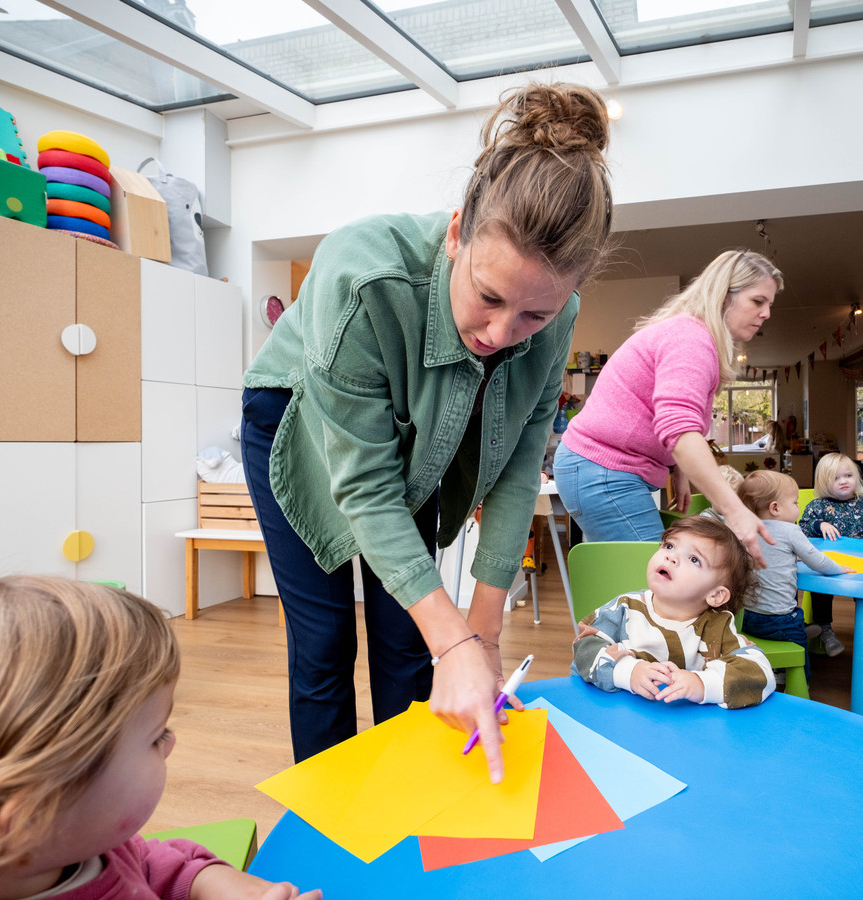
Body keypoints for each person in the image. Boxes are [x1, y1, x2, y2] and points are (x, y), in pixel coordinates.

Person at [240, 83, 613, 779]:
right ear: (454, 234)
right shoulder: (361, 274)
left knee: (411, 634)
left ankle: (415, 793)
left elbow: (517, 457)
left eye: (533, 316)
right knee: (323, 639)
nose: (501, 335)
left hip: (420, 426)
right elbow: (367, 486)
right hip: (296, 415)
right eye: (489, 296)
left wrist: (484, 631)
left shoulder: (555, 318)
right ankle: (337, 828)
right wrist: (455, 643)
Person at [0, 575, 321, 900]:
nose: (170, 745)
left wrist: (211, 884)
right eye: (155, 736)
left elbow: (147, 863)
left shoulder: (80, 844)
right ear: (31, 813)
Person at [553, 249, 783, 565]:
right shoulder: (691, 340)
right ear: (723, 297)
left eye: (769, 304)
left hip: (599, 469)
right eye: (758, 301)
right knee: (659, 582)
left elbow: (663, 413)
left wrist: (679, 471)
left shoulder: (692, 336)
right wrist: (734, 509)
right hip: (601, 470)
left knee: (643, 581)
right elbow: (680, 427)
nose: (767, 313)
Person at [572, 516, 775, 709]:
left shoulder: (718, 627)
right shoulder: (624, 608)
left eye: (694, 559)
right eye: (669, 545)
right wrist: (628, 671)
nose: (671, 557)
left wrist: (702, 684)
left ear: (716, 595)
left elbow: (760, 672)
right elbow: (585, 647)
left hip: (681, 728)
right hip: (610, 712)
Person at [736, 470, 853, 668]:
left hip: (746, 617)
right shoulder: (790, 530)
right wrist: (839, 568)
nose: (798, 507)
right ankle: (796, 676)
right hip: (780, 619)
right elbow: (818, 561)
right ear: (775, 508)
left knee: (788, 617)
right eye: (795, 503)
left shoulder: (745, 530)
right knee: (799, 640)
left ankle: (800, 632)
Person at [798, 452, 863, 656]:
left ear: (856, 477)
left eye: (848, 476)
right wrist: (820, 524)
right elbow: (802, 527)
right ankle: (825, 630)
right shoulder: (818, 506)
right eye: (835, 478)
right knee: (821, 589)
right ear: (824, 481)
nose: (843, 481)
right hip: (828, 562)